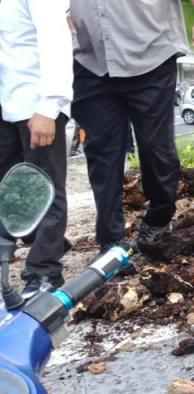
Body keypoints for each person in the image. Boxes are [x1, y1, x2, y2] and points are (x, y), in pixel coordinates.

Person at [69, 0, 194, 252]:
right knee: (101, 153)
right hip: (91, 59)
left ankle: (159, 217)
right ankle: (110, 239)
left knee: (155, 147)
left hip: (151, 53)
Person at [0, 0, 73, 298]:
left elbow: (54, 37)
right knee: (11, 192)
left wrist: (50, 105)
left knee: (45, 189)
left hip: (37, 105)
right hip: (6, 104)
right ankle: (49, 242)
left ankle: (44, 272)